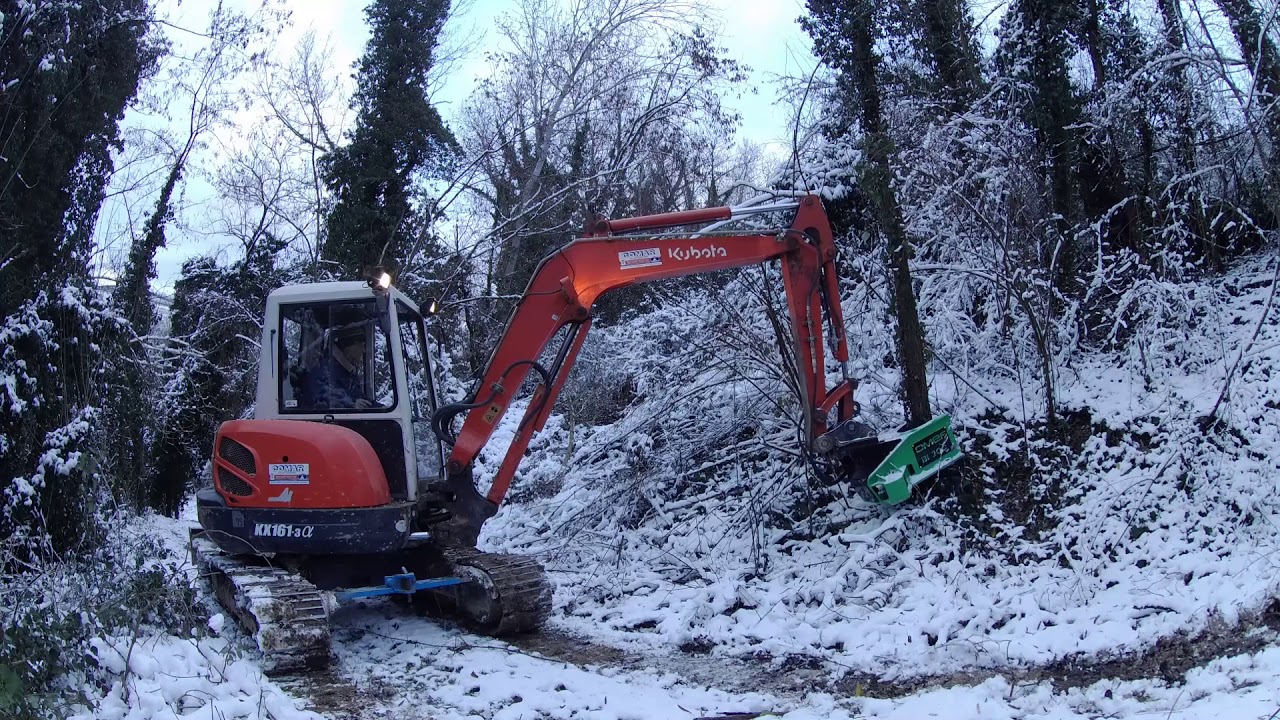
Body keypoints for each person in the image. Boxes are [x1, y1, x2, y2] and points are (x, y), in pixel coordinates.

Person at [301, 326, 373, 410]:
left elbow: (359, 398)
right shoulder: (323, 368)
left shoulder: (349, 372)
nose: (364, 350)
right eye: (361, 345)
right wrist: (351, 405)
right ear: (350, 346)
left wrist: (380, 408)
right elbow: (322, 396)